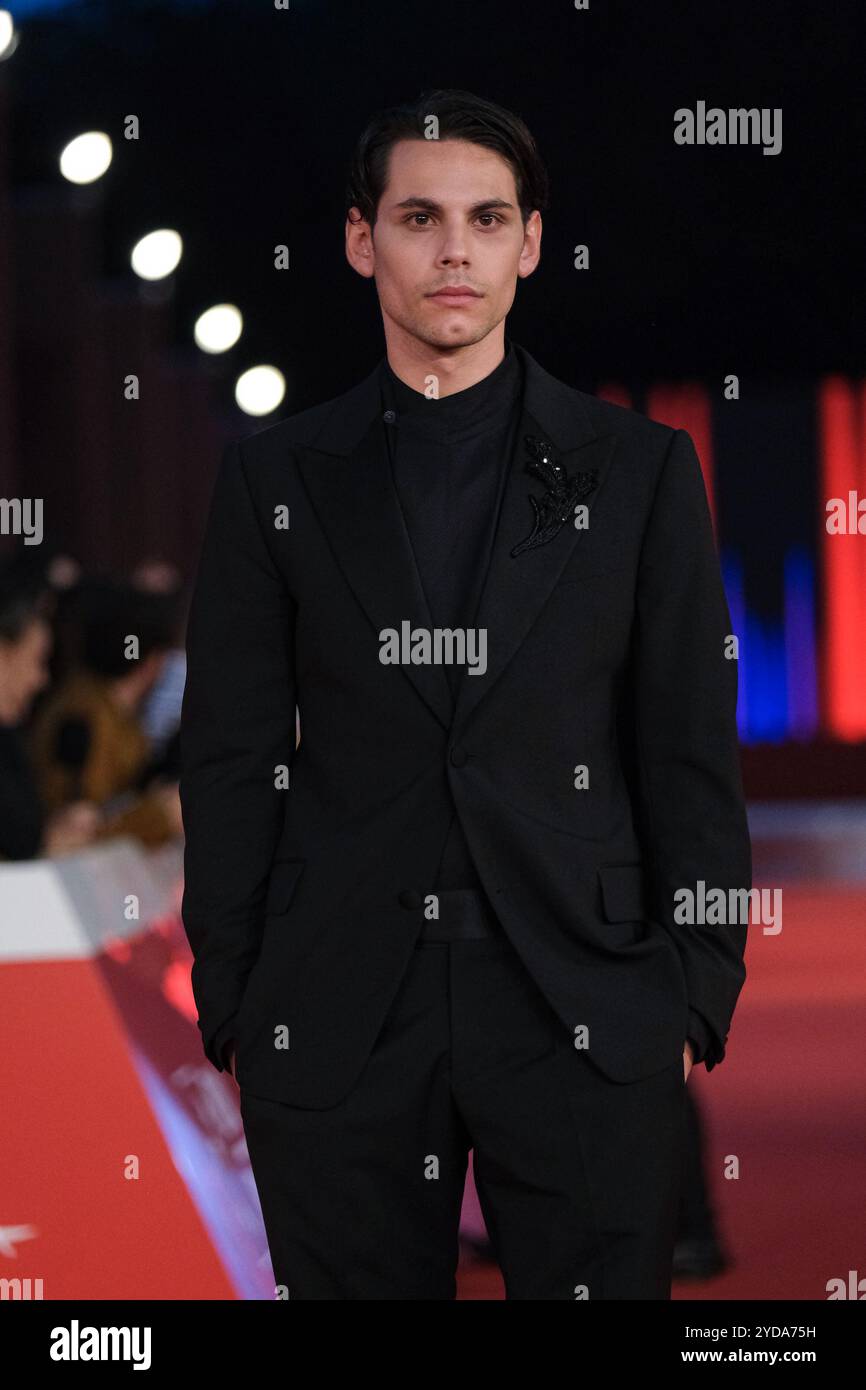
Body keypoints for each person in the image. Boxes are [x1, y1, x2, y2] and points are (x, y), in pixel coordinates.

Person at [179, 88, 751, 1300]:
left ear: (528, 243)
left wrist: (695, 985)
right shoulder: (273, 478)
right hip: (335, 1013)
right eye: (419, 217)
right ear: (358, 239)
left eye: (487, 219)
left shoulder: (639, 471)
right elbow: (228, 755)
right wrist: (234, 997)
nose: (453, 251)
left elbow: (685, 745)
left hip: (583, 999)